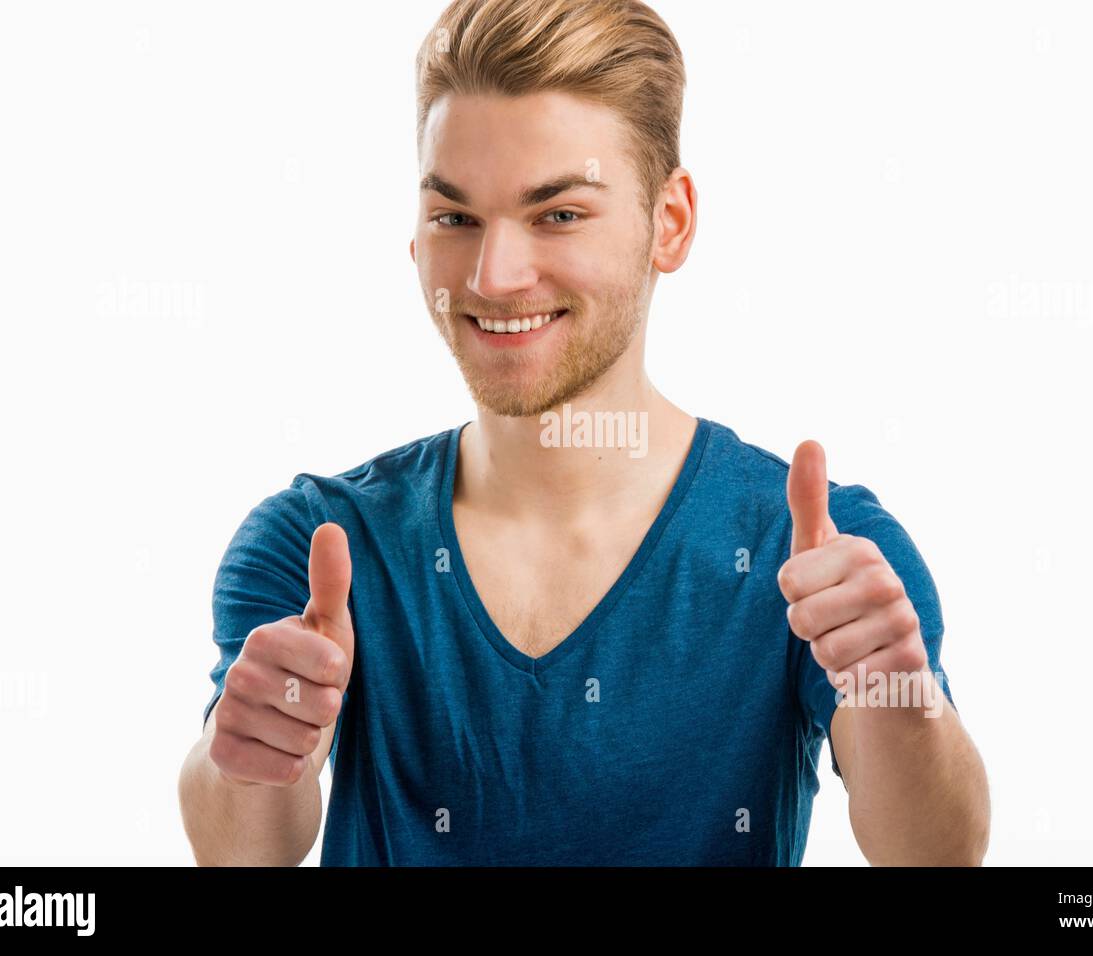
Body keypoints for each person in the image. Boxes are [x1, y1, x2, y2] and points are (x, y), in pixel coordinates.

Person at [178, 0, 989, 866]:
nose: (495, 275)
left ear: (668, 223)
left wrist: (900, 697)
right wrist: (255, 755)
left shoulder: (818, 553)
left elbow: (936, 853)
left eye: (558, 213)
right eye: (455, 217)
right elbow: (243, 850)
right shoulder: (317, 546)